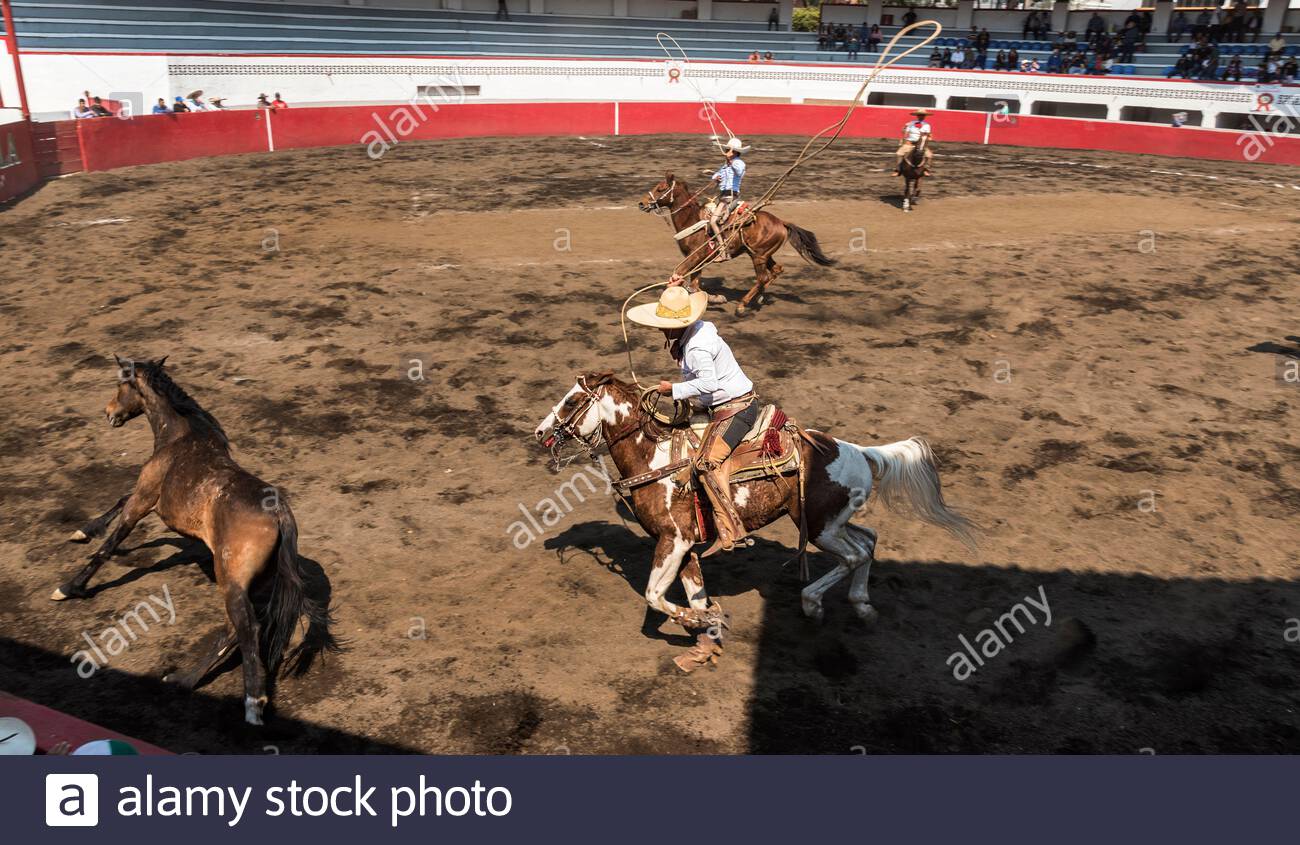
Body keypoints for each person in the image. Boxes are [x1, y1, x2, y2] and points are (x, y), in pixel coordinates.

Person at [627, 285, 757, 556]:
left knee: (706, 462)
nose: (661, 330)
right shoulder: (699, 329)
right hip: (720, 405)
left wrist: (672, 389)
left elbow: (708, 383)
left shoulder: (697, 347)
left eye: (664, 325)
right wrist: (676, 287)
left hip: (736, 409)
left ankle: (731, 529)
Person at [708, 137, 748, 261]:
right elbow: (716, 174)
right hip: (723, 196)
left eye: (729, 150)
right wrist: (715, 178)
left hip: (731, 197)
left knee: (714, 221)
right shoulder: (725, 166)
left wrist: (730, 159)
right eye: (727, 150)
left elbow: (739, 171)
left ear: (735, 152)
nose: (726, 152)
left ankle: (723, 251)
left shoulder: (738, 163)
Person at [893, 108, 933, 177]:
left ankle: (926, 169)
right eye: (920, 115)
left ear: (925, 116)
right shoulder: (911, 123)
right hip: (910, 143)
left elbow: (929, 135)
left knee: (929, 155)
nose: (921, 116)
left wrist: (928, 137)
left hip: (921, 144)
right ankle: (898, 170)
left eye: (923, 115)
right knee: (899, 153)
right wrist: (904, 139)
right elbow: (906, 133)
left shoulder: (927, 125)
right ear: (917, 116)